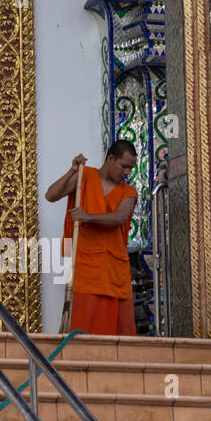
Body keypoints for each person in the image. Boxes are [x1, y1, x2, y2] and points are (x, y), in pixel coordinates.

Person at [44, 140, 139, 336]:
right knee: (86, 327)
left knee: (121, 331)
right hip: (86, 268)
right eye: (124, 166)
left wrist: (88, 217)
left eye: (130, 168)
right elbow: (51, 195)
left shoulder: (128, 192)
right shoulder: (84, 177)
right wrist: (72, 171)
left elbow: (119, 217)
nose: (127, 172)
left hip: (115, 272)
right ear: (111, 159)